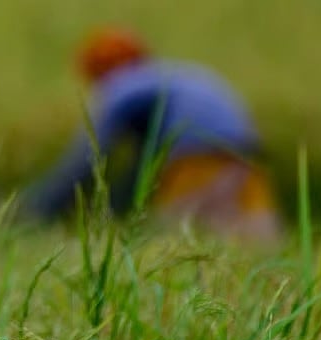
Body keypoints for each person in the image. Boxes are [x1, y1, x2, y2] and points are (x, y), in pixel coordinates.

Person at [24, 27, 281, 239]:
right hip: (247, 157)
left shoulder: (122, 86)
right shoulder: (171, 76)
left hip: (195, 160)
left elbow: (86, 158)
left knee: (182, 237)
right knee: (256, 239)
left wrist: (37, 208)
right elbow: (141, 168)